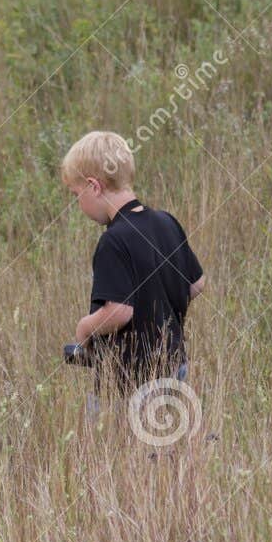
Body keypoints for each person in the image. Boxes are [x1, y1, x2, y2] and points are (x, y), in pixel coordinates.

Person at [61, 131, 205, 397]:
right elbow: (196, 284)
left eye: (76, 195)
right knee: (169, 433)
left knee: (120, 438)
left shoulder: (113, 241)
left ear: (94, 186)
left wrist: (84, 328)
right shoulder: (166, 222)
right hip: (174, 364)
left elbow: (119, 312)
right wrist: (163, 308)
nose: (78, 204)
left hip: (128, 379)